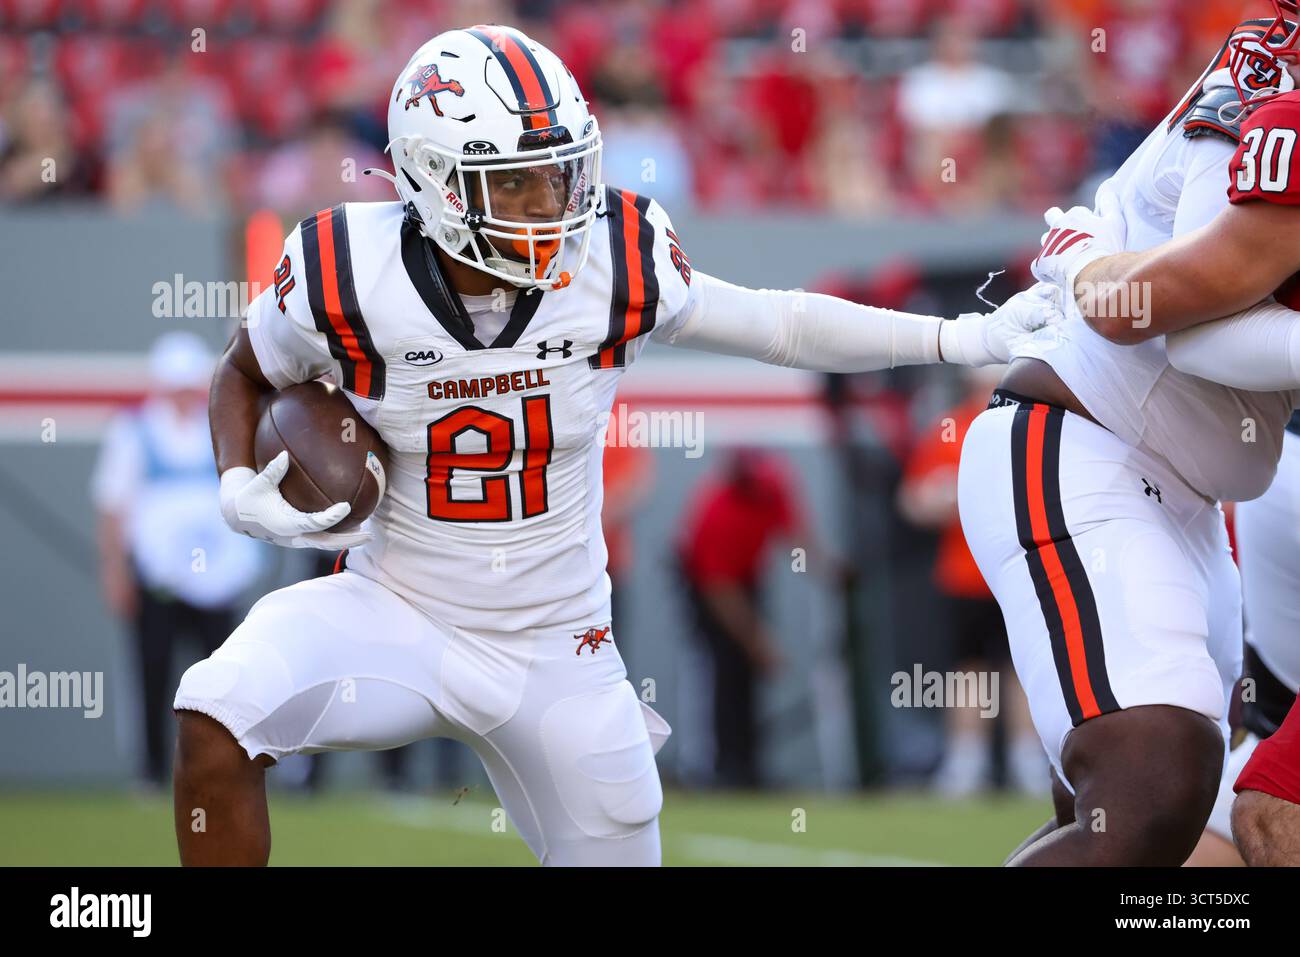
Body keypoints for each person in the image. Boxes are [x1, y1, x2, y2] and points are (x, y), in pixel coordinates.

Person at [171, 24, 1057, 867]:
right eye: (517, 184)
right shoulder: (342, 268)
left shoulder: (611, 256)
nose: (554, 205)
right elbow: (241, 370)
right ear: (436, 184)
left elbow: (778, 322)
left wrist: (961, 340)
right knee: (216, 709)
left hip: (560, 641)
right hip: (397, 608)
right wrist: (236, 475)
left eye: (560, 173)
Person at [959, 11, 1298, 865]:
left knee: (1162, 836)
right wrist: (1082, 268)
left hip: (1186, 491)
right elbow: (1181, 322)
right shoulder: (1277, 113)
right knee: (1155, 782)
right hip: (1086, 440)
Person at [92, 332, 265, 788]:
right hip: (158, 581)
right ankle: (149, 773)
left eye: (191, 385)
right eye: (176, 386)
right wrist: (115, 571)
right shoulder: (134, 430)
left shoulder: (221, 424)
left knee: (224, 679)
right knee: (153, 673)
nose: (184, 395)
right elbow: (113, 507)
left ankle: (226, 768)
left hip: (219, 582)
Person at [898, 370, 1045, 796]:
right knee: (972, 672)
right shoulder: (952, 429)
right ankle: (967, 762)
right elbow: (913, 501)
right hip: (966, 578)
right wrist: (944, 499)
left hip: (1019, 573)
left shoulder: (1027, 425)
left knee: (1022, 671)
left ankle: (1028, 762)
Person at [676, 449, 804, 788]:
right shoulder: (717, 512)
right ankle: (717, 766)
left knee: (748, 679)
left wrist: (828, 568)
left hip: (747, 582)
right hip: (709, 590)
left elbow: (795, 533)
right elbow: (720, 589)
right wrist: (758, 642)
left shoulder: (772, 488)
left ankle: (748, 765)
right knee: (720, 672)